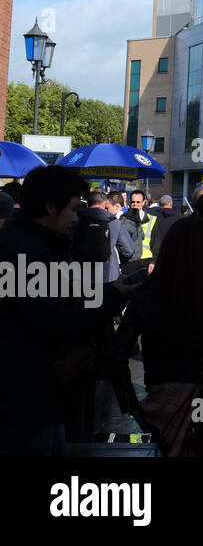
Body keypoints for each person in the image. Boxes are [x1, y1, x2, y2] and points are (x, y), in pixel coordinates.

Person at [0, 166, 125, 455]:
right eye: (72, 208)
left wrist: (112, 294)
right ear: (50, 207)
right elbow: (55, 319)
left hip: (37, 395)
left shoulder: (39, 247)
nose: (75, 217)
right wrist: (113, 298)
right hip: (25, 397)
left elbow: (69, 296)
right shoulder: (25, 254)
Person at [110, 217, 203, 456]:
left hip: (161, 392)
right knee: (199, 442)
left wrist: (130, 403)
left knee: (169, 446)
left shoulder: (149, 293)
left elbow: (118, 352)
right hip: (201, 390)